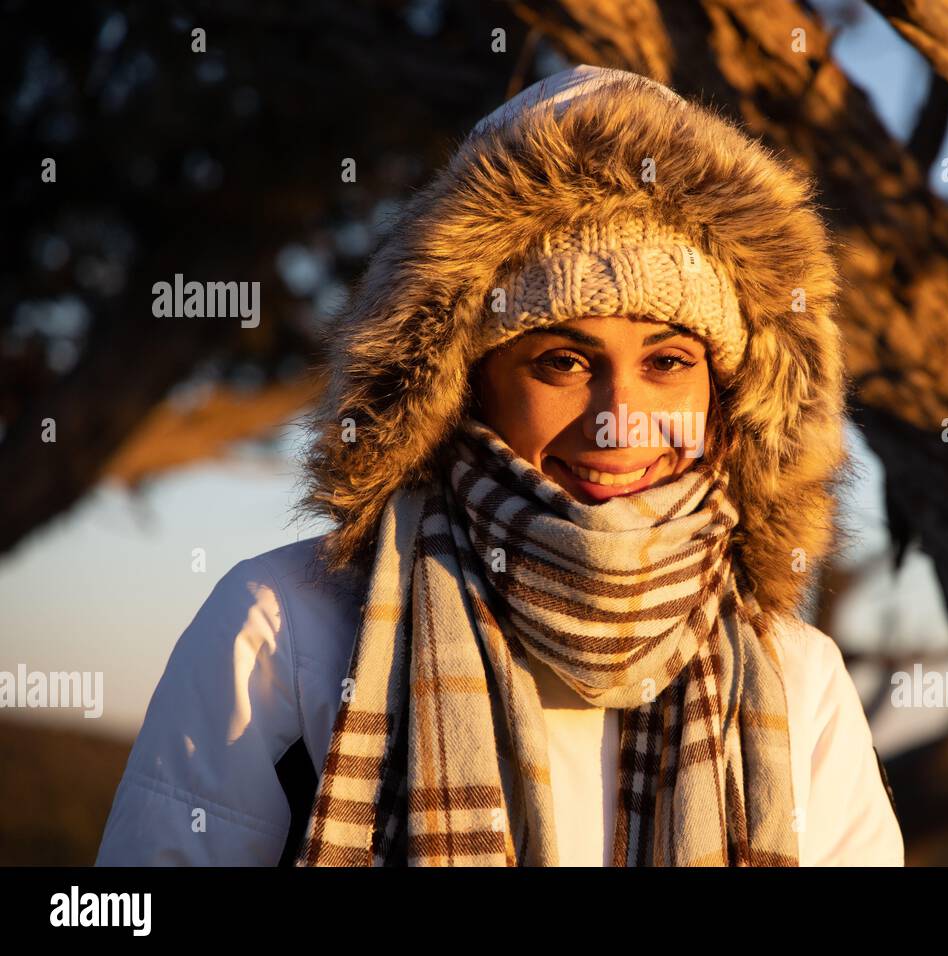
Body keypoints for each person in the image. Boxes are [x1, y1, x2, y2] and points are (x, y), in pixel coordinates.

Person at [94, 64, 904, 867]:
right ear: (463, 384)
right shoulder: (285, 631)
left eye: (666, 362)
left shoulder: (799, 678)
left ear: (726, 397)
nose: (619, 420)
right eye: (562, 361)